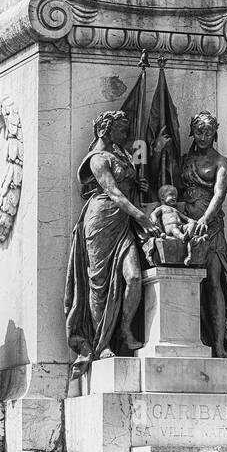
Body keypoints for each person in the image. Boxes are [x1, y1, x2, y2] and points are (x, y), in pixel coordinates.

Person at [64, 111, 157, 377]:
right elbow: (113, 192)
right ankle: (100, 343)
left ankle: (125, 329)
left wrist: (138, 183)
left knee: (134, 277)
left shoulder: (123, 156)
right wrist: (140, 216)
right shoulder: (97, 160)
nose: (126, 135)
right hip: (101, 220)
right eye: (121, 130)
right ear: (106, 130)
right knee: (99, 285)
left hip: (123, 222)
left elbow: (125, 187)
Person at [180, 112, 227, 356]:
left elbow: (219, 194)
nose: (203, 136)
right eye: (199, 131)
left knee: (213, 282)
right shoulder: (185, 160)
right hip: (185, 223)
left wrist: (204, 220)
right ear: (192, 132)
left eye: (208, 132)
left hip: (210, 228)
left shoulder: (221, 162)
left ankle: (218, 343)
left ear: (215, 133)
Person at [144, 184, 199, 264]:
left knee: (191, 225)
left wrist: (191, 222)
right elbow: (153, 214)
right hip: (170, 228)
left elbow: (186, 218)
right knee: (174, 229)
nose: (174, 197)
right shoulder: (162, 208)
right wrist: (154, 219)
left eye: (175, 196)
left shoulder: (175, 210)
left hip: (180, 226)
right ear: (162, 197)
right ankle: (183, 238)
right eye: (171, 195)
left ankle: (189, 235)